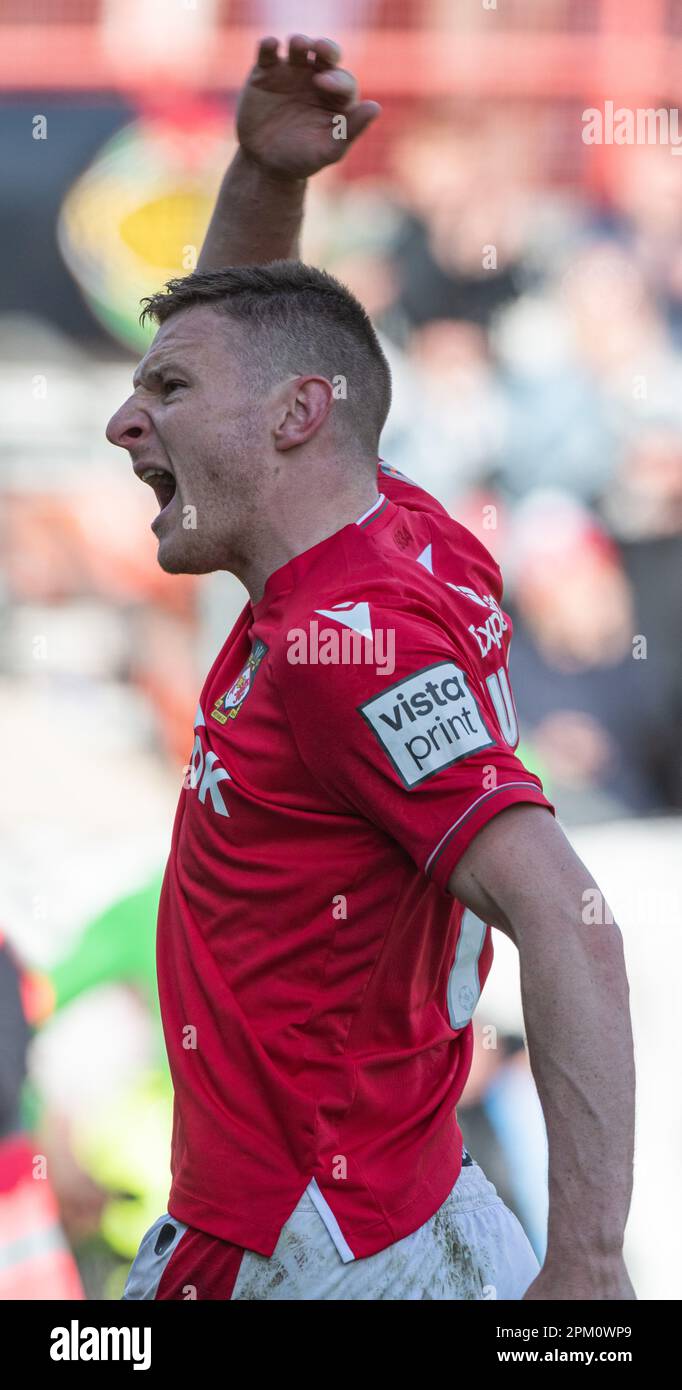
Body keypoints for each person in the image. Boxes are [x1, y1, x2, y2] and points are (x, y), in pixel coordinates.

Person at [107, 35, 635, 1301]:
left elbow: (571, 922)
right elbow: (253, 334)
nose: (126, 422)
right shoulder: (386, 528)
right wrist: (262, 174)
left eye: (163, 391)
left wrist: (589, 1263)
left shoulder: (348, 648)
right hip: (383, 1201)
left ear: (297, 419)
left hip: (310, 1245)